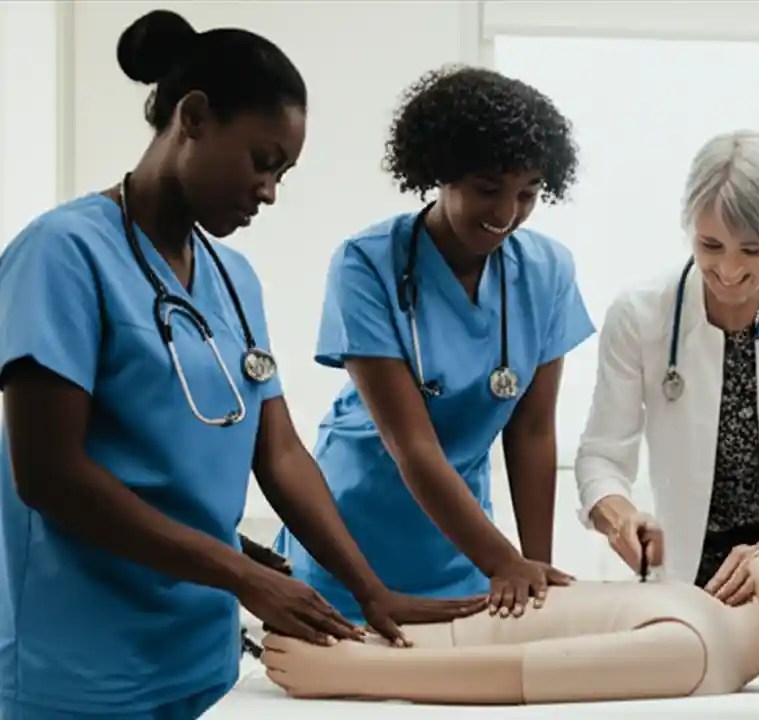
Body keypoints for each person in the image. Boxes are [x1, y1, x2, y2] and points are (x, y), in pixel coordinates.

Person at [0, 11, 483, 720]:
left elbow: (279, 451)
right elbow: (48, 474)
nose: (270, 191)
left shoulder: (233, 278)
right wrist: (239, 574)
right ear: (192, 117)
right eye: (263, 160)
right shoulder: (63, 254)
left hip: (193, 656)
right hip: (79, 662)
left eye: (283, 172)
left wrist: (368, 587)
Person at [275, 65, 594, 622]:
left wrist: (532, 568)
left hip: (463, 546)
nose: (505, 214)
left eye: (527, 193)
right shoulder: (367, 263)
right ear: (441, 172)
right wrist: (505, 560)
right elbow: (412, 446)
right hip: (353, 541)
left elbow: (533, 432)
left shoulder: (548, 271)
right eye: (486, 189)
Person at [575, 130, 759, 602]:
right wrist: (623, 518)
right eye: (710, 245)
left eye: (752, 251)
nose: (729, 270)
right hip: (678, 578)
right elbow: (602, 454)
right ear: (687, 227)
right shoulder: (641, 312)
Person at [261, 535, 759, 704]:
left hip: (405, 654)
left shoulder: (696, 650)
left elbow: (516, 676)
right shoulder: (710, 622)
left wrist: (360, 671)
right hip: (410, 634)